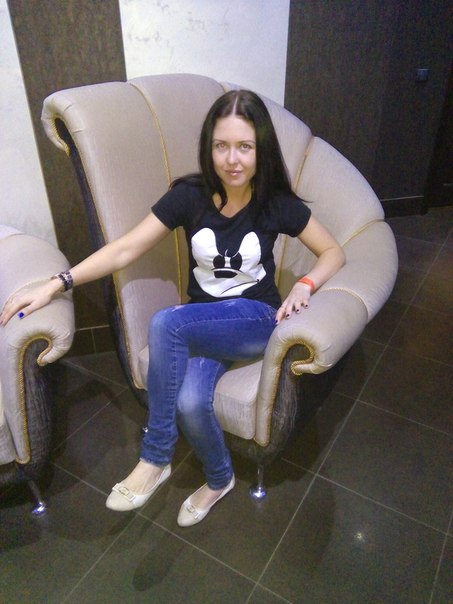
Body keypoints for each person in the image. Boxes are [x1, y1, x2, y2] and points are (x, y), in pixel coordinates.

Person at [0, 90, 345, 526]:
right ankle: (220, 478)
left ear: (261, 149)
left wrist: (307, 284)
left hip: (256, 319)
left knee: (167, 323)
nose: (232, 159)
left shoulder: (275, 202)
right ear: (208, 147)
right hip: (203, 324)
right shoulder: (190, 196)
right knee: (189, 402)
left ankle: (156, 456)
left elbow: (333, 251)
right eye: (221, 146)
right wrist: (56, 283)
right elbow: (125, 248)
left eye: (244, 146)